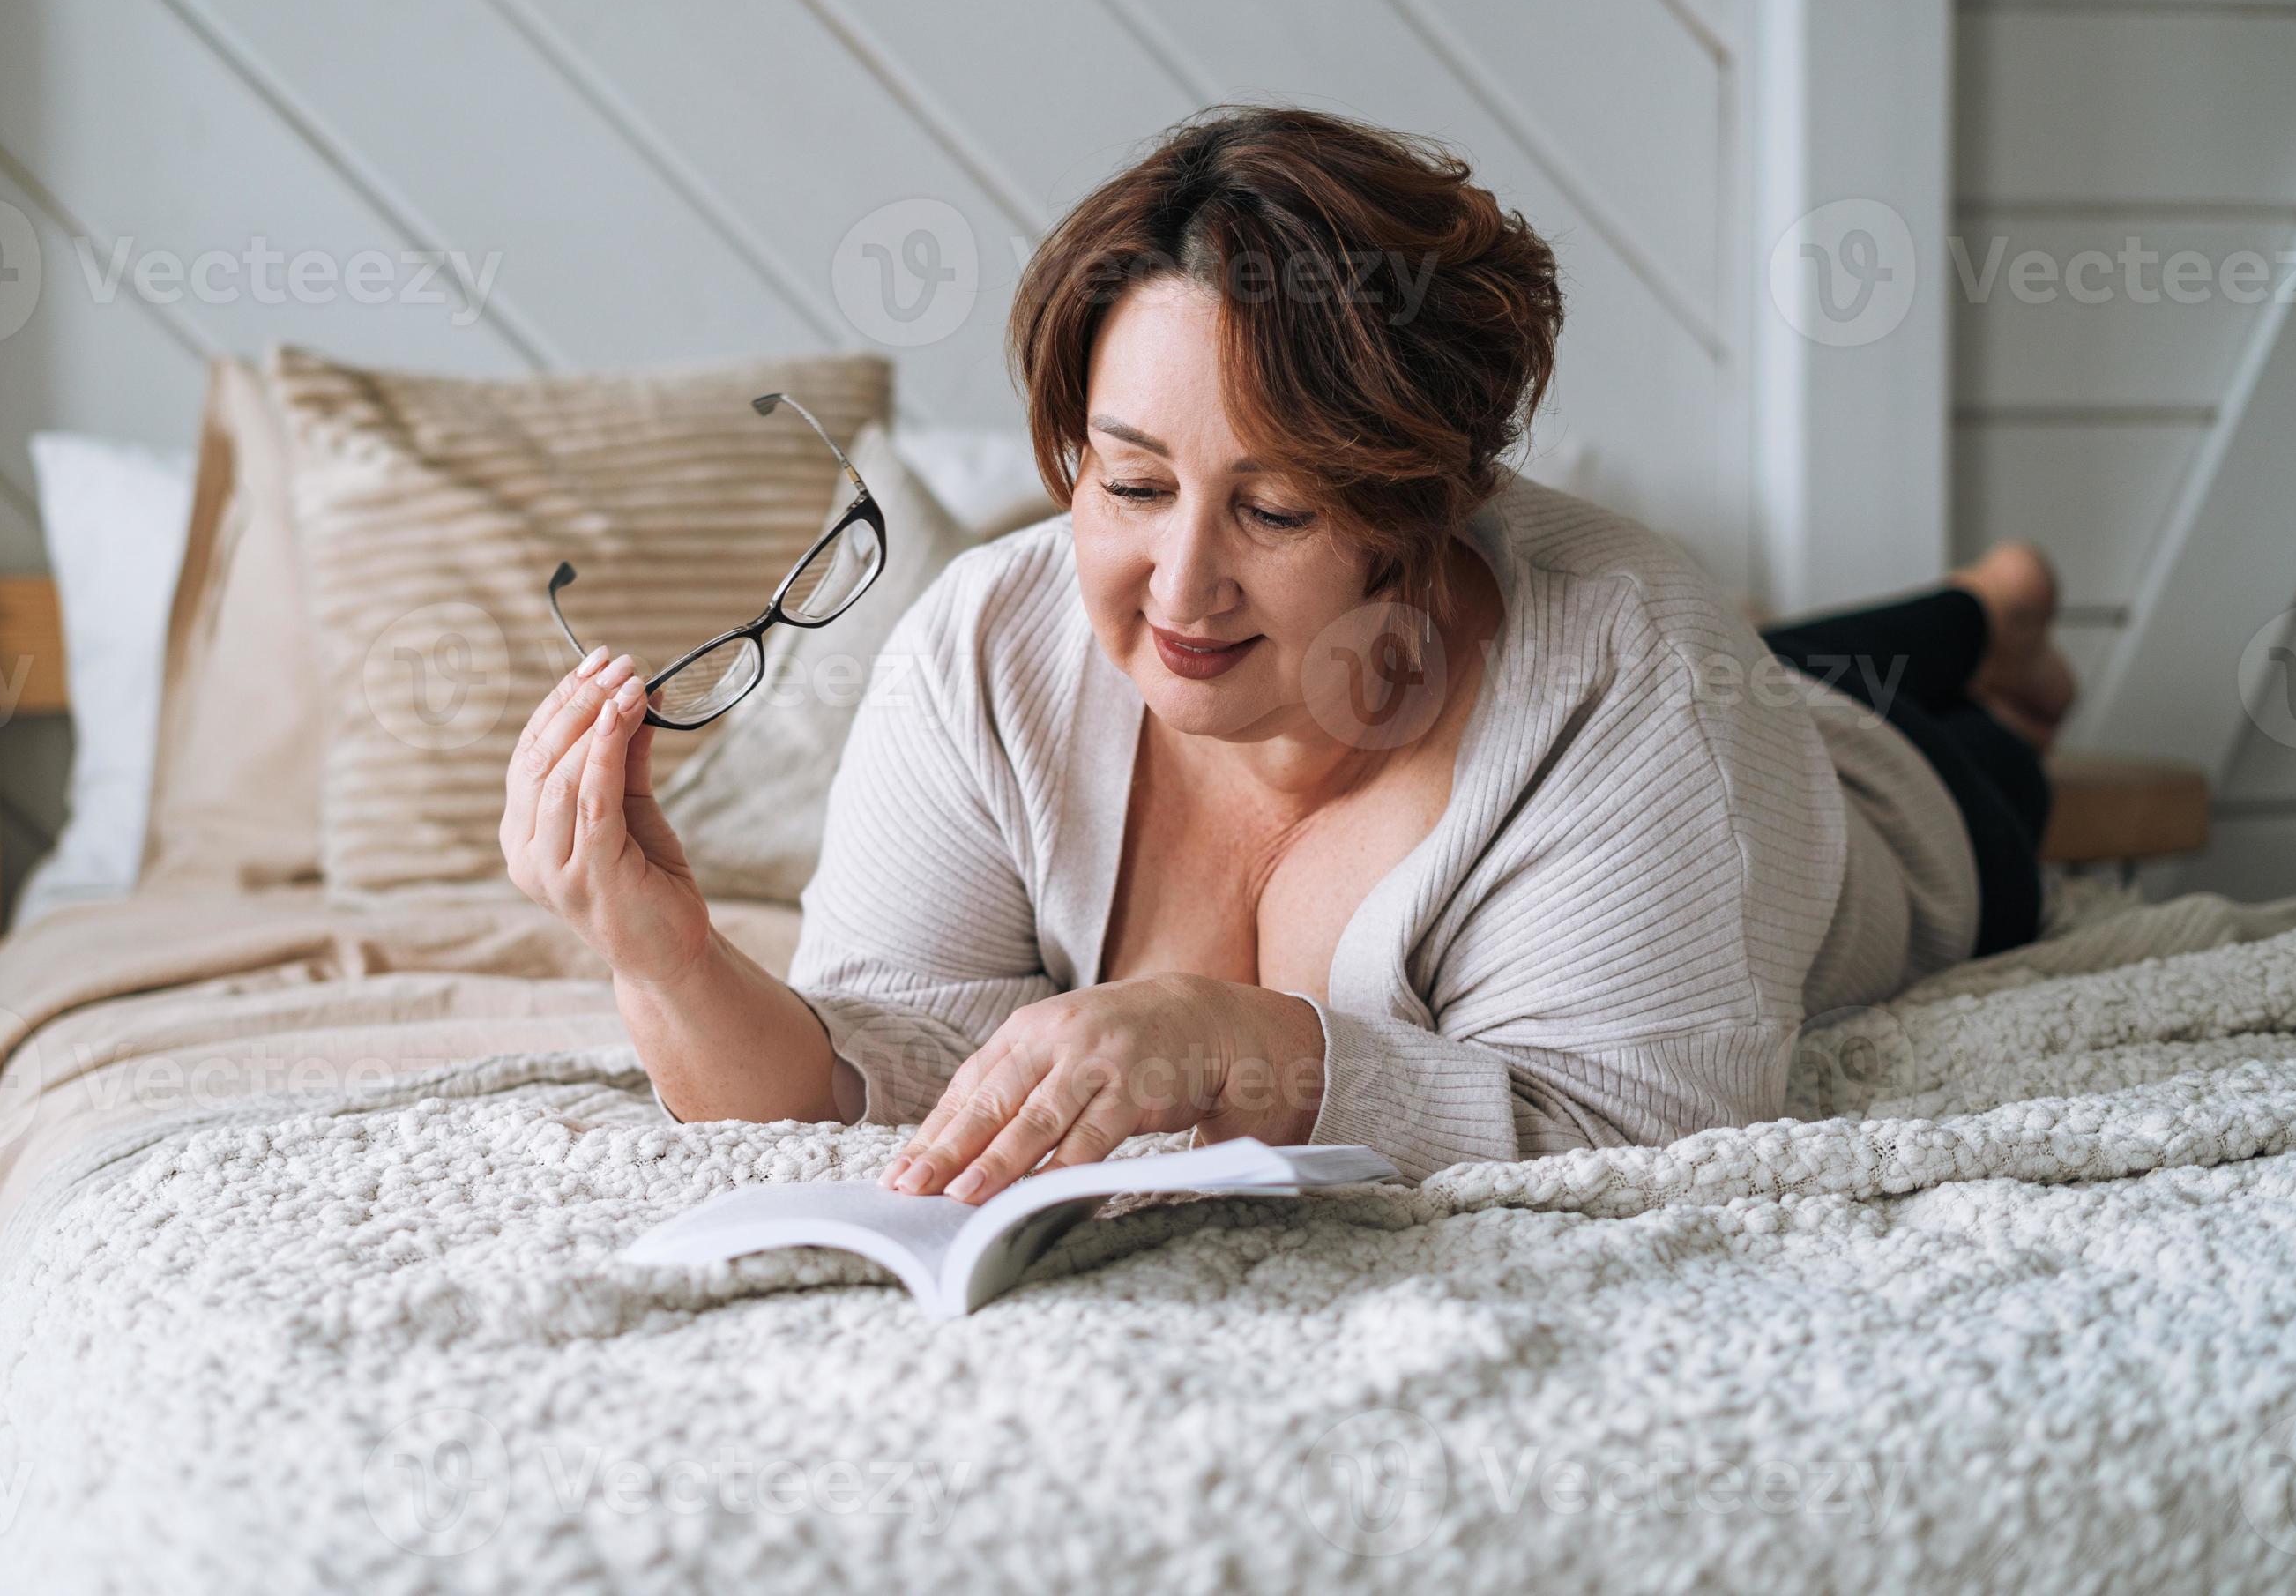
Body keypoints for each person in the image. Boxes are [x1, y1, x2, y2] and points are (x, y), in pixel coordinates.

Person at [503, 106, 2075, 1197]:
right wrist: (663, 957)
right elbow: (864, 1073)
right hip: (1719, 701)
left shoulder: (1635, 684)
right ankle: (1984, 605)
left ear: (1429, 501)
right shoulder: (984, 650)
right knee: (1795, 657)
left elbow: (1649, 1128)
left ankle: (2000, 640)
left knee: (1959, 749)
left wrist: (1245, 1045)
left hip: (1883, 806)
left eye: (1275, 508)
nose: (1181, 588)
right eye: (1131, 486)